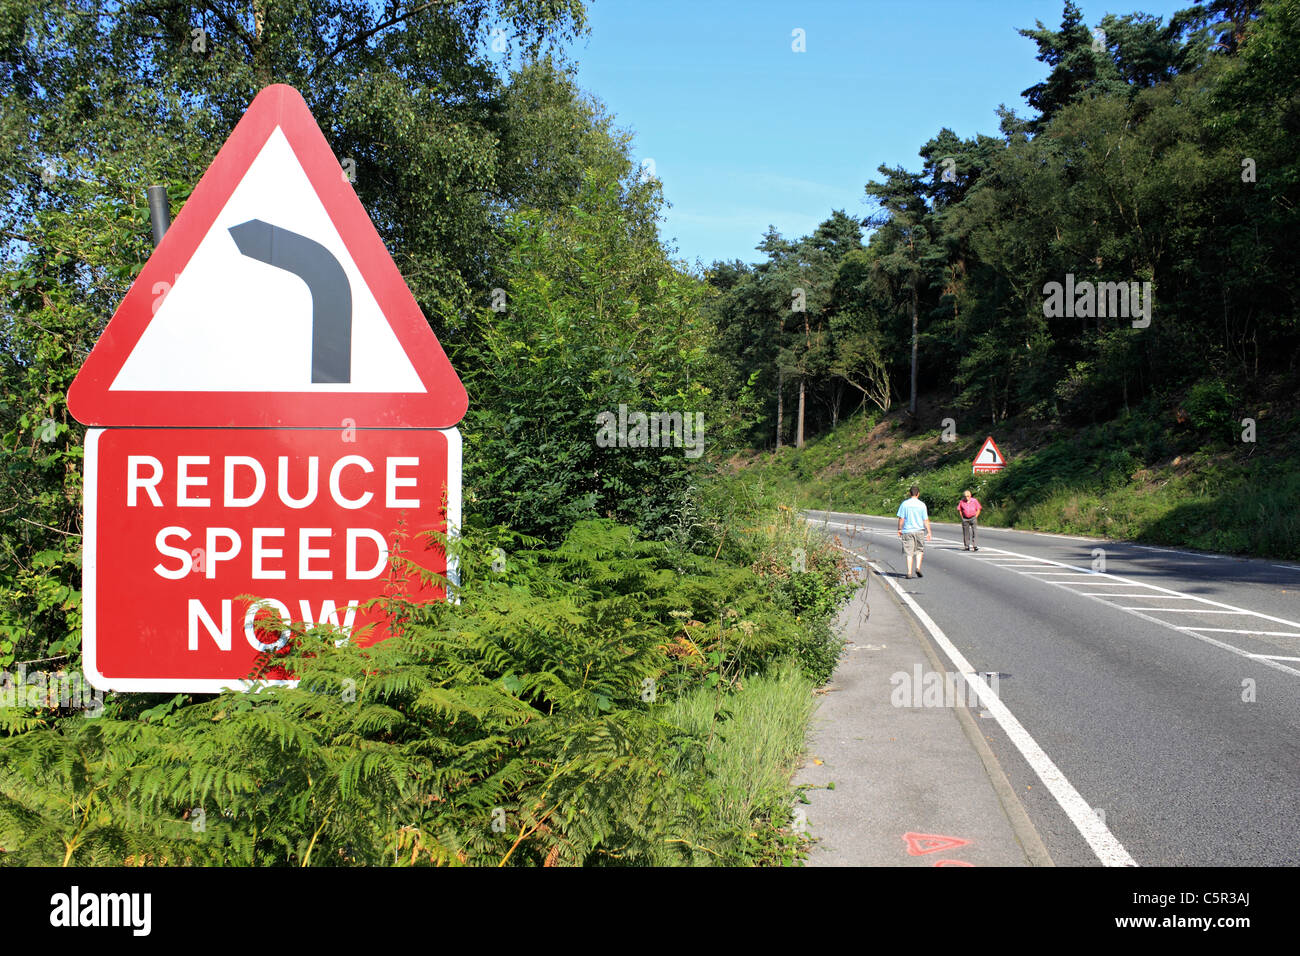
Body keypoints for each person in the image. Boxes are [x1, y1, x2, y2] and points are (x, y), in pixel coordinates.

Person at [896, 484, 931, 579]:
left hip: (907, 531)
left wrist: (899, 528)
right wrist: (929, 532)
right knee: (919, 550)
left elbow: (901, 518)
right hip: (919, 530)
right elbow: (925, 520)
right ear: (918, 494)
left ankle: (909, 572)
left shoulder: (904, 504)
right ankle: (918, 567)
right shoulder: (922, 504)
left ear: (909, 493)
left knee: (909, 552)